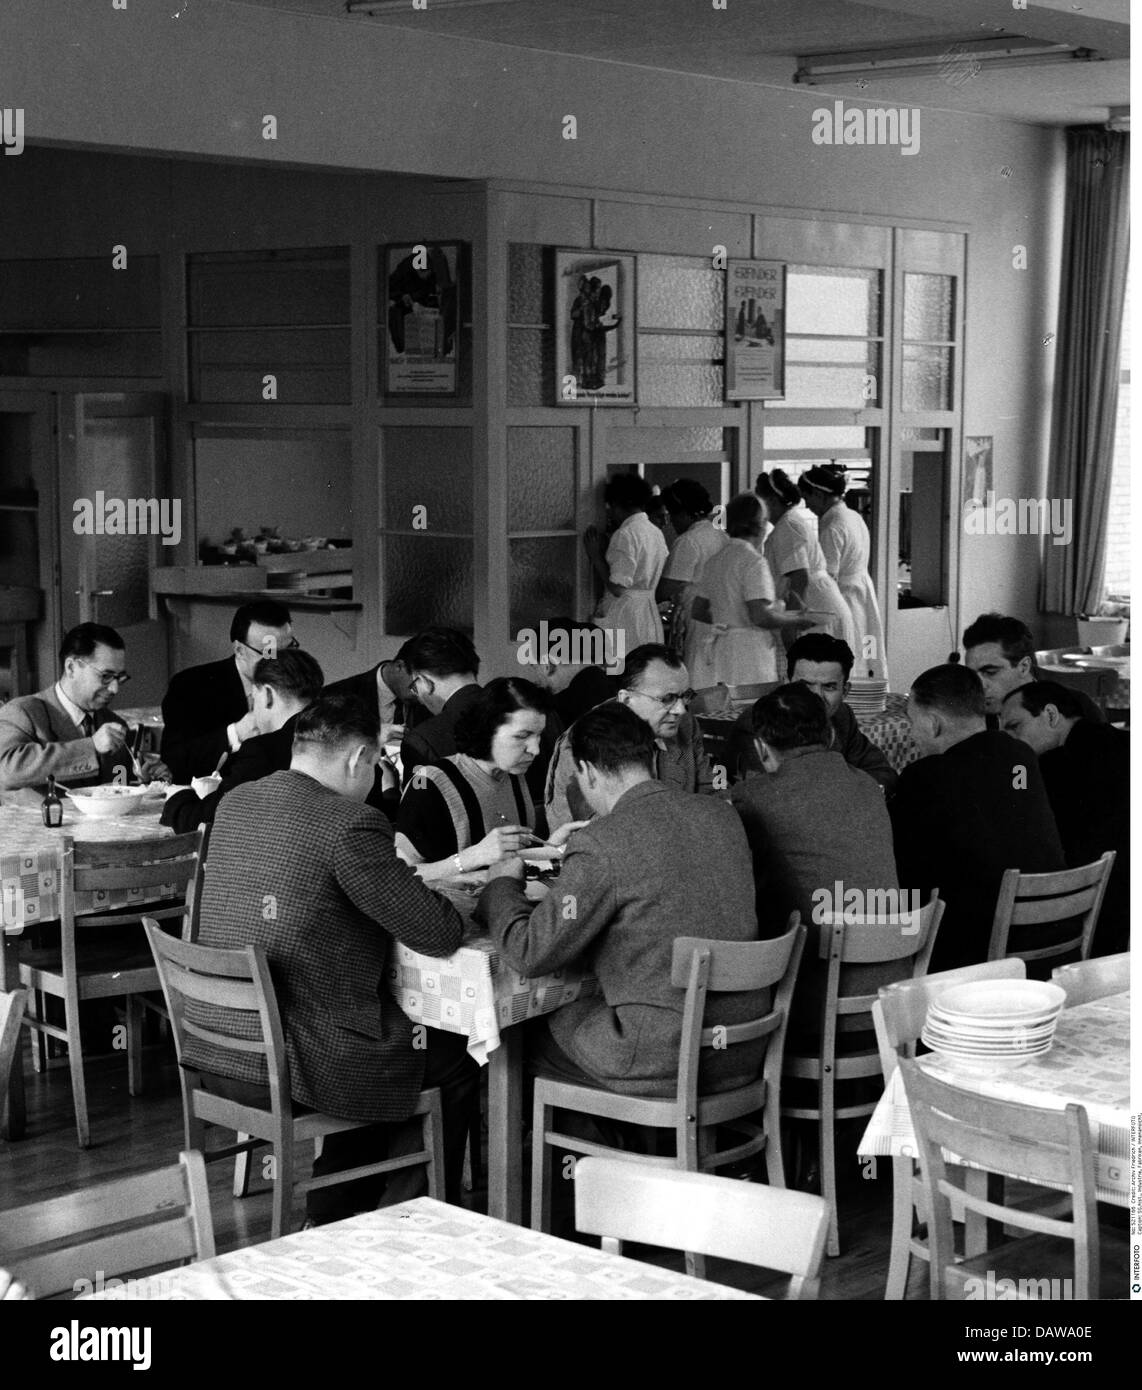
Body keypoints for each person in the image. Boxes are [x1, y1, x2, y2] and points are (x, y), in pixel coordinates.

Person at [181, 694, 478, 1225]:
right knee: (453, 1051)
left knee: (381, 1033)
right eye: (377, 765)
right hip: (294, 1060)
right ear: (359, 758)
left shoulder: (236, 801)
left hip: (214, 1046)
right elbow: (435, 932)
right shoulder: (350, 823)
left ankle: (341, 1208)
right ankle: (407, 1223)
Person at [475, 702, 766, 1097]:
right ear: (651, 756)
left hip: (666, 1058)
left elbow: (530, 952)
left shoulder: (601, 841)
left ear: (590, 772)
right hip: (743, 1047)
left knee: (518, 1033)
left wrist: (501, 886)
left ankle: (603, 1152)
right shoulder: (722, 816)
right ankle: (636, 1149)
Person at [730, 682, 900, 1030]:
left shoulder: (753, 798)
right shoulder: (869, 786)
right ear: (833, 735)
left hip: (816, 1004)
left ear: (762, 749)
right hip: (892, 995)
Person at [891, 664, 1067, 973]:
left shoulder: (926, 777)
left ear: (933, 724)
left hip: (978, 956)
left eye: (911, 721)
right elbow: (1013, 801)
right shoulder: (1021, 758)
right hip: (1051, 935)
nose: (911, 732)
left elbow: (899, 868)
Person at [396, 678, 584, 894]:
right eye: (522, 736)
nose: (535, 749)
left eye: (538, 735)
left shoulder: (513, 774)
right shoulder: (431, 785)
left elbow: (507, 866)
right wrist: (471, 858)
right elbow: (397, 875)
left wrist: (550, 849)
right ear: (487, 730)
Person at [1001, 681, 1129, 956]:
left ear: (1050, 715)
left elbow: (1017, 804)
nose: (1009, 739)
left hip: (1091, 910)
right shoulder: (1123, 740)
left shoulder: (1048, 765)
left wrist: (1014, 770)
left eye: (1015, 727)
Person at [544, 644, 713, 831]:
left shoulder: (685, 726)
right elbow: (594, 833)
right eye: (667, 699)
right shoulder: (584, 741)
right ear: (625, 700)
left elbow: (710, 789)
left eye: (686, 696)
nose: (680, 710)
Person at [160, 649, 324, 834]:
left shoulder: (263, 751)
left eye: (255, 698)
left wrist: (179, 797)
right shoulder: (333, 738)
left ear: (268, 695)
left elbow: (207, 820)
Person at [723, 634, 898, 792]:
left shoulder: (842, 716)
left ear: (845, 691)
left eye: (829, 687)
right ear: (786, 684)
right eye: (806, 686)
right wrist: (851, 786)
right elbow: (774, 794)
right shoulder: (759, 723)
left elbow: (884, 774)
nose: (816, 696)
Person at [0, 622, 150, 799]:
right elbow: (8, 771)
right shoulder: (24, 712)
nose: (114, 688)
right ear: (71, 668)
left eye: (120, 678)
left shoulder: (113, 723)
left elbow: (118, 784)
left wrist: (142, 779)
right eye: (106, 676)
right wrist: (91, 747)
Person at [161, 600, 296, 783]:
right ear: (239, 650)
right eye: (269, 654)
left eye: (289, 650)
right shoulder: (191, 686)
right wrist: (236, 733)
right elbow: (175, 761)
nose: (282, 663)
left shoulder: (299, 684)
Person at [687, 492, 814, 689]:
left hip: (723, 644)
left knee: (726, 707)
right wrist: (797, 619)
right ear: (760, 524)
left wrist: (728, 617)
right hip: (750, 650)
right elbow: (760, 616)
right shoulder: (753, 562)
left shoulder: (715, 560)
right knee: (751, 707)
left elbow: (698, 610)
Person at [799, 464, 888, 682]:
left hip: (844, 599)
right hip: (861, 596)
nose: (807, 505)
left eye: (807, 498)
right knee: (864, 655)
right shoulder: (853, 517)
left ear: (819, 494)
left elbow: (828, 578)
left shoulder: (833, 527)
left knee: (848, 656)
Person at [756, 469, 856, 651]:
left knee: (816, 672)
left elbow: (799, 577)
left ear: (770, 500)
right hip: (818, 605)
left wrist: (791, 624)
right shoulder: (788, 523)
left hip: (816, 607)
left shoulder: (788, 526)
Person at [962, 612, 1103, 726]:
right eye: (972, 675)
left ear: (1024, 667)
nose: (979, 686)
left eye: (990, 672)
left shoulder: (1075, 709)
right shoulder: (967, 714)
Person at [583, 473, 668, 650]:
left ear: (618, 504)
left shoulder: (625, 534)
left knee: (621, 668)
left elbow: (618, 588)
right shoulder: (655, 532)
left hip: (625, 613)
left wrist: (596, 557)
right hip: (647, 611)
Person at [396, 627, 483, 787]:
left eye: (414, 687)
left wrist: (390, 789)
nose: (420, 699)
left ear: (425, 682)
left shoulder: (422, 741)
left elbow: (418, 803)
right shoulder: (521, 711)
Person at [323, 643, 428, 745]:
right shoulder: (335, 695)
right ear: (399, 667)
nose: (422, 696)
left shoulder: (430, 701)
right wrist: (370, 737)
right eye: (417, 684)